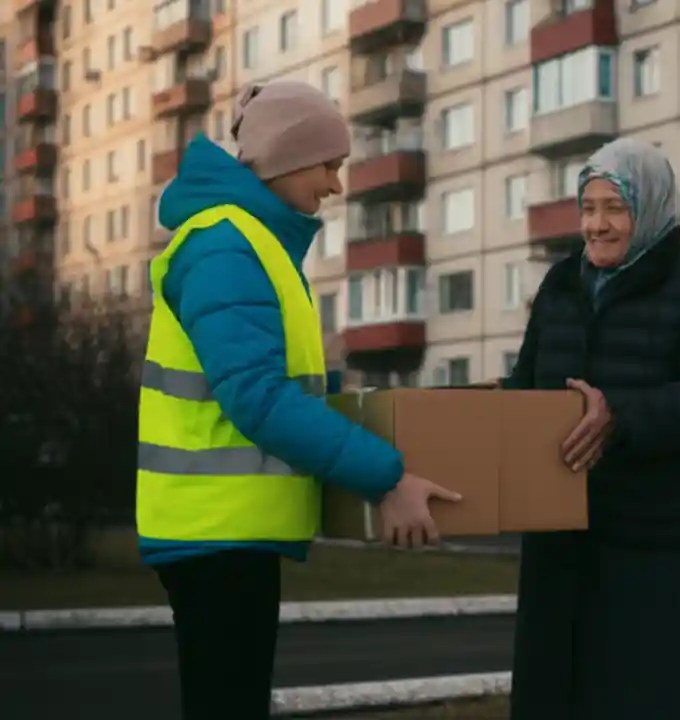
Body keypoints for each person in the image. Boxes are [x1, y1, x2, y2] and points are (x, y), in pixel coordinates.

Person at [135, 81, 460, 720]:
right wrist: (384, 477)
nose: (336, 186)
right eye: (329, 166)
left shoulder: (250, 243)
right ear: (286, 158)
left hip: (226, 534)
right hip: (216, 536)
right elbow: (257, 398)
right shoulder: (228, 245)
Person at [502, 138, 680, 719]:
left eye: (614, 207)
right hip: (559, 551)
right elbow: (526, 386)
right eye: (587, 208)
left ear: (652, 209)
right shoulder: (560, 286)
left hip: (656, 550)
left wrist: (620, 417)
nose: (595, 225)